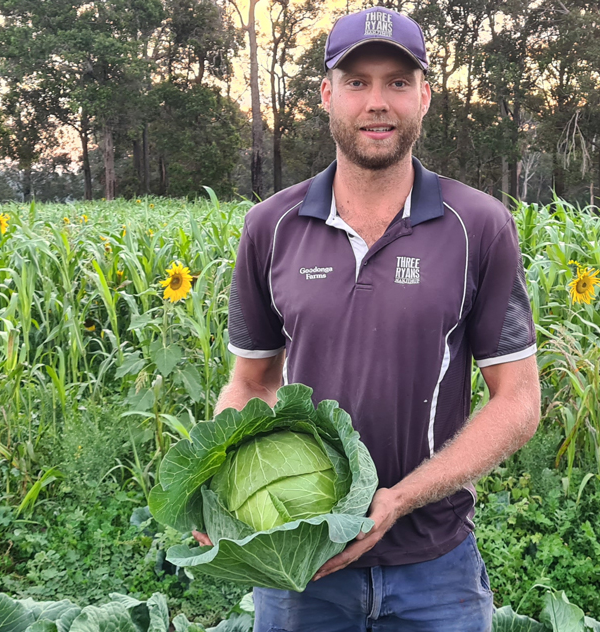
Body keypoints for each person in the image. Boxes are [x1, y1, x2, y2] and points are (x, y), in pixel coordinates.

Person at [196, 6, 541, 631]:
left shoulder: (478, 226)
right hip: (302, 567)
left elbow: (518, 400)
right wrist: (217, 489)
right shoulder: (270, 226)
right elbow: (249, 384)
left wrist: (399, 500)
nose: (377, 102)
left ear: (425, 97)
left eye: (397, 82)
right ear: (327, 94)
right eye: (357, 82)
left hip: (436, 566)